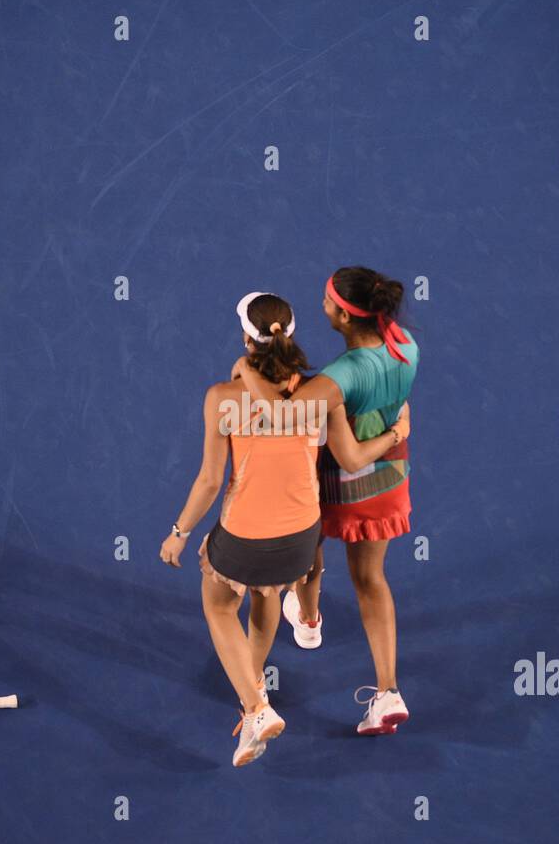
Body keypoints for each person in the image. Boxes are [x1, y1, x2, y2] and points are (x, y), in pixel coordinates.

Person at [160, 292, 410, 766]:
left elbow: (211, 480)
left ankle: (256, 705)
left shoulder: (222, 398)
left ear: (245, 338)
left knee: (217, 604)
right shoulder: (322, 394)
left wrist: (180, 531)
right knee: (268, 592)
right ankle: (251, 680)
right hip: (302, 541)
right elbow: (353, 458)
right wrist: (397, 434)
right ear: (290, 335)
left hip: (245, 537)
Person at [234, 267, 418, 735]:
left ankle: (309, 621)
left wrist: (244, 372)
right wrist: (396, 431)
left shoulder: (339, 380)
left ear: (342, 315)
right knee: (371, 579)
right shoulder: (405, 343)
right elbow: (401, 405)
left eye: (326, 301)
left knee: (306, 561)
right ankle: (388, 693)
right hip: (389, 481)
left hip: (336, 487)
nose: (321, 306)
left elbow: (278, 416)